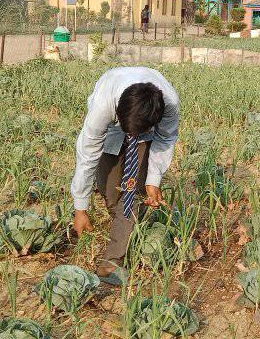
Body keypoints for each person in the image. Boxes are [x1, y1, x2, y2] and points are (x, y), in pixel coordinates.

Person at [70, 66, 180, 284]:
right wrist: (80, 207)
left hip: (145, 130)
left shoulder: (169, 104)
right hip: (111, 129)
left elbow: (165, 139)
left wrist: (153, 180)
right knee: (110, 192)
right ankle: (127, 226)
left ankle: (113, 260)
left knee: (132, 194)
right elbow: (87, 154)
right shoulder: (104, 104)